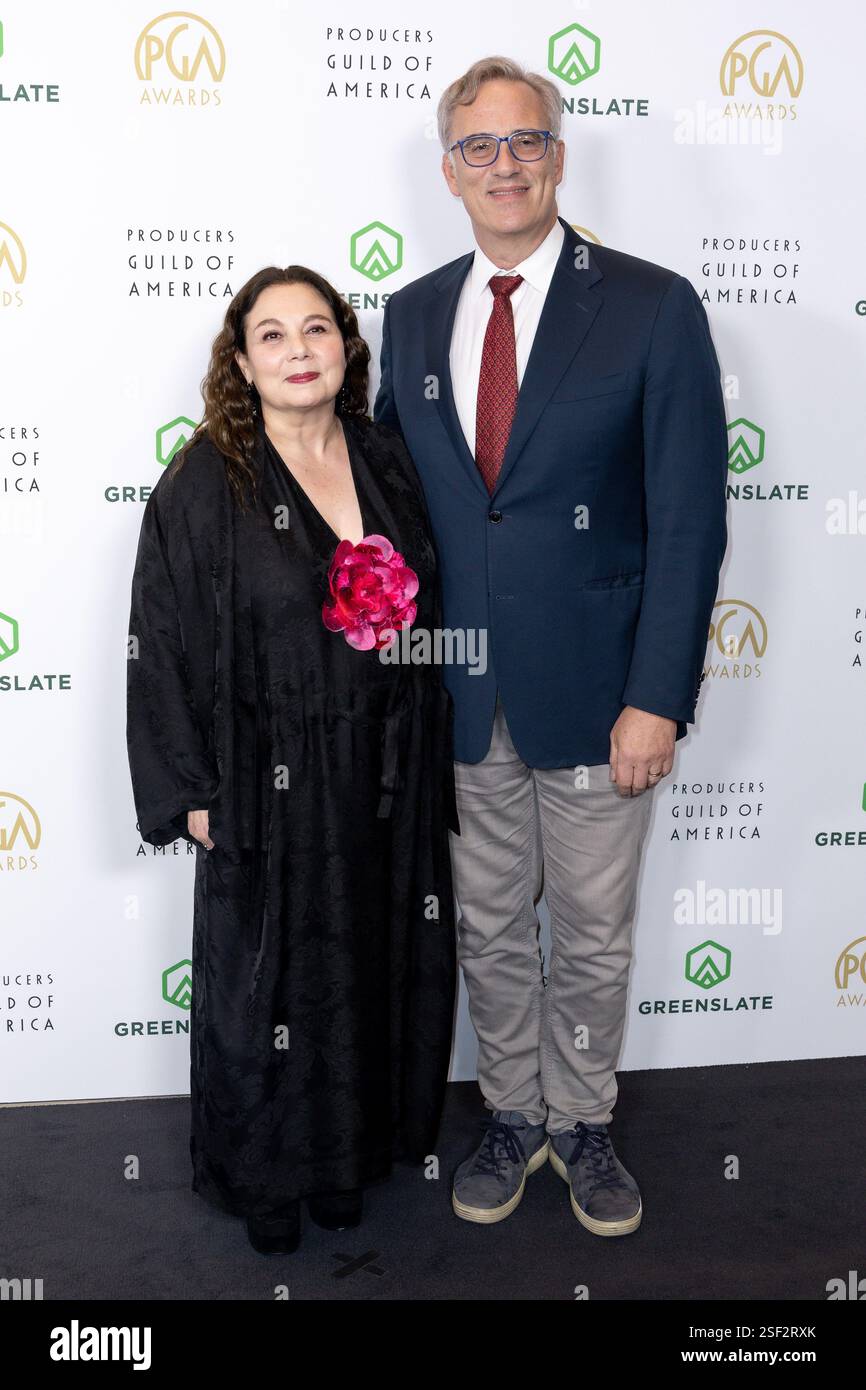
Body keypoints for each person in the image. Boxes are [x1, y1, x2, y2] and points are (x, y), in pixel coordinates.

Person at [374, 56, 728, 1235]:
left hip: (597, 699)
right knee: (484, 928)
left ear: (559, 156)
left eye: (525, 141)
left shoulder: (648, 303)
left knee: (587, 932)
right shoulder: (414, 311)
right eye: (479, 146)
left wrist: (657, 697)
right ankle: (512, 1111)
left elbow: (686, 517)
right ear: (448, 169)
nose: (504, 164)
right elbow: (395, 510)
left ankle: (582, 1118)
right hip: (460, 700)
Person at [126, 266, 459, 1255]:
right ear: (241, 360)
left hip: (380, 767)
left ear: (347, 348)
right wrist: (189, 791)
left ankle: (344, 1159)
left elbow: (426, 614)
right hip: (259, 771)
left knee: (366, 961)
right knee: (264, 983)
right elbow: (161, 641)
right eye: (271, 335)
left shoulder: (385, 460)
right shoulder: (205, 480)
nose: (299, 349)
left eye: (317, 328)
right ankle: (267, 1176)